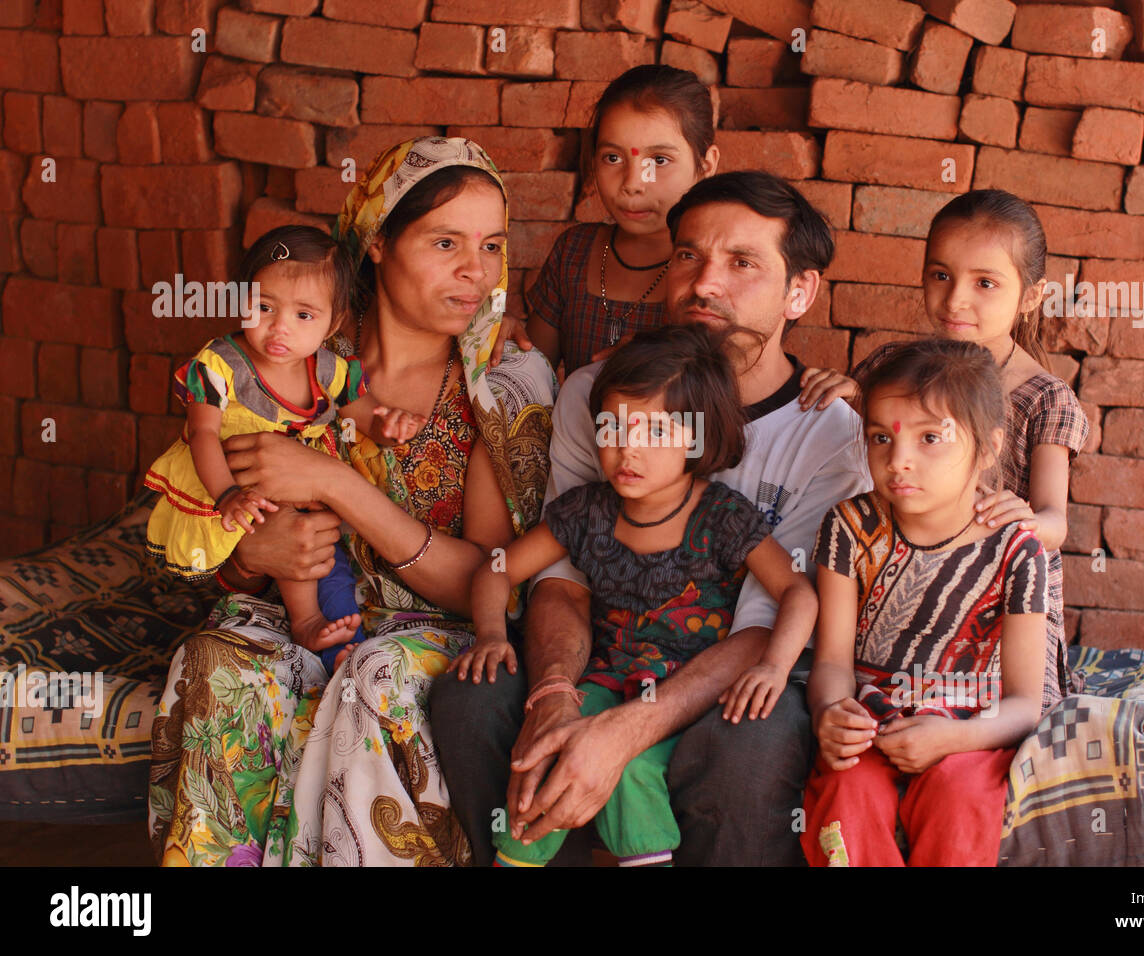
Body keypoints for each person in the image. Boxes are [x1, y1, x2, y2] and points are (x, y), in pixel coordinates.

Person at [428, 170, 871, 866]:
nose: (704, 283)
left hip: (738, 659)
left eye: (742, 263)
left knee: (750, 743)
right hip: (603, 654)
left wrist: (630, 729)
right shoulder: (593, 395)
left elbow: (772, 615)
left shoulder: (830, 437)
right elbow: (563, 579)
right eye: (688, 255)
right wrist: (554, 693)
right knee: (471, 699)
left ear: (800, 291)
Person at [148, 137, 556, 866]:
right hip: (303, 611)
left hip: (431, 632)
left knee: (378, 681)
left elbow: (493, 580)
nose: (477, 269)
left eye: (492, 245)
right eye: (444, 241)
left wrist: (337, 484)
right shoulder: (290, 358)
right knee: (218, 661)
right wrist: (252, 554)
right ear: (375, 242)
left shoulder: (502, 383)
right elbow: (228, 520)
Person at [461, 325, 818, 866]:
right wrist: (490, 633)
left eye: (655, 432)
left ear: (699, 438)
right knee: (547, 752)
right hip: (603, 681)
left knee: (630, 769)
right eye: (613, 427)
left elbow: (797, 589)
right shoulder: (587, 512)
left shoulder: (722, 517)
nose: (628, 449)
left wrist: (774, 666)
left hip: (689, 695)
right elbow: (496, 569)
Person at [807, 189, 1089, 713]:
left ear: (1031, 295)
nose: (956, 298)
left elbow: (1056, 521)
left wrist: (1020, 521)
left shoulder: (1044, 397)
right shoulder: (895, 366)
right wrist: (849, 398)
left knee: (1017, 734)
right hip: (902, 578)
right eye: (940, 275)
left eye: (985, 283)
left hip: (1001, 605)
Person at [803, 338, 1048, 867]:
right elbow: (830, 663)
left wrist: (956, 737)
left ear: (987, 449)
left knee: (960, 800)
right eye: (880, 438)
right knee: (847, 794)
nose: (899, 461)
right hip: (873, 725)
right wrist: (829, 713)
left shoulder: (1015, 549)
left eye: (930, 437)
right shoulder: (850, 529)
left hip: (968, 731)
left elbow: (1027, 703)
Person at [143, 225, 425, 672]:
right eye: (264, 306)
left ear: (332, 323)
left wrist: (389, 426)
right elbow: (202, 435)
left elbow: (364, 415)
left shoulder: (329, 368)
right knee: (291, 534)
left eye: (304, 316)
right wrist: (227, 496)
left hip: (296, 485)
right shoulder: (219, 364)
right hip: (233, 485)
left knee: (321, 552)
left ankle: (332, 639)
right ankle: (306, 620)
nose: (279, 327)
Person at [518, 64, 719, 375]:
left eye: (659, 161)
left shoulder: (716, 273)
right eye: (613, 158)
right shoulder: (574, 252)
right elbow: (529, 376)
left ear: (705, 166)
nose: (632, 183)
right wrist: (503, 344)